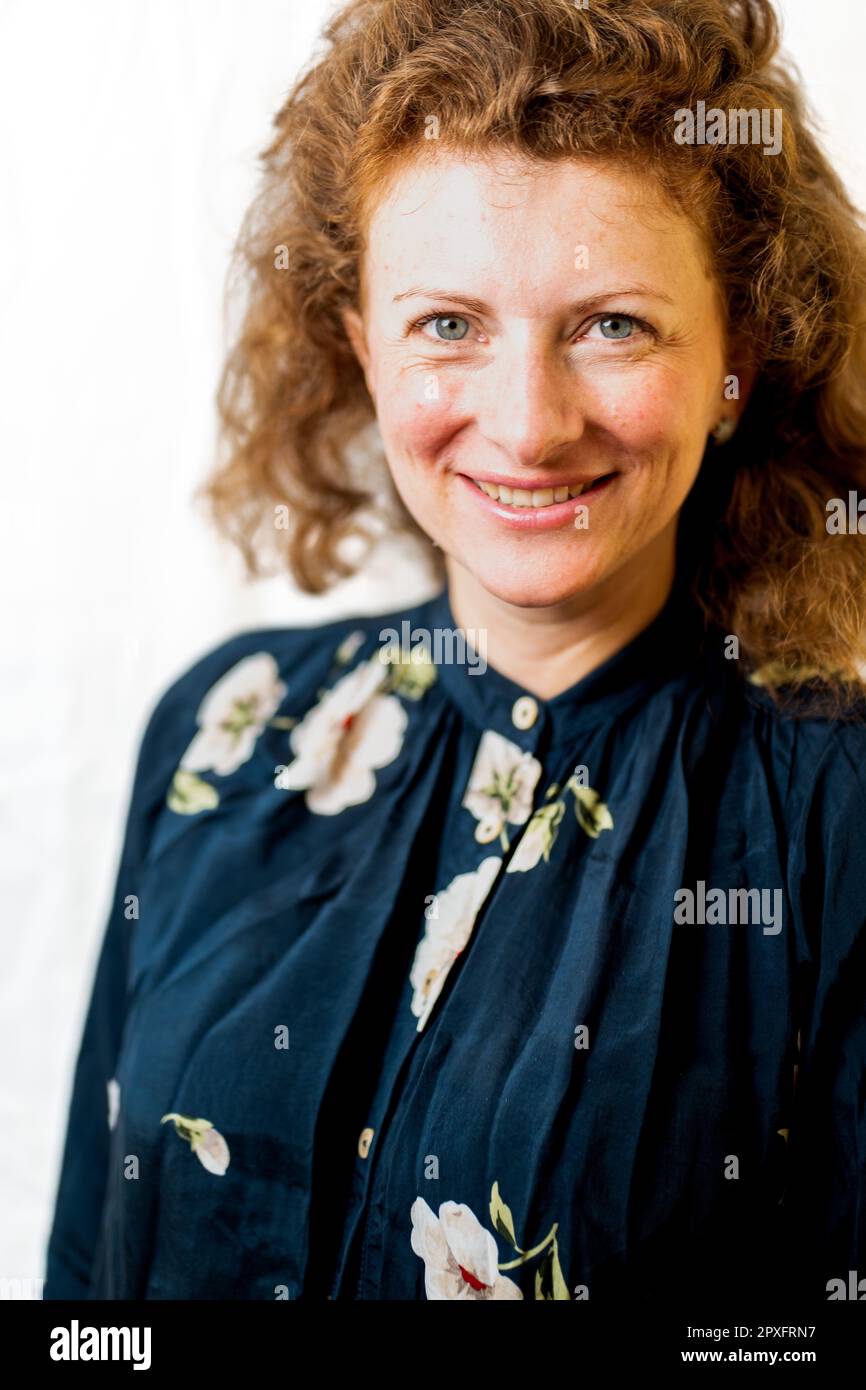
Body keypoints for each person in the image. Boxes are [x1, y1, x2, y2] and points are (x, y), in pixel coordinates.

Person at [44, 0, 866, 1303]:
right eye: (446, 325)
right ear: (362, 345)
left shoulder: (836, 808)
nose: (527, 425)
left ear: (737, 360)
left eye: (612, 324)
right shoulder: (221, 729)